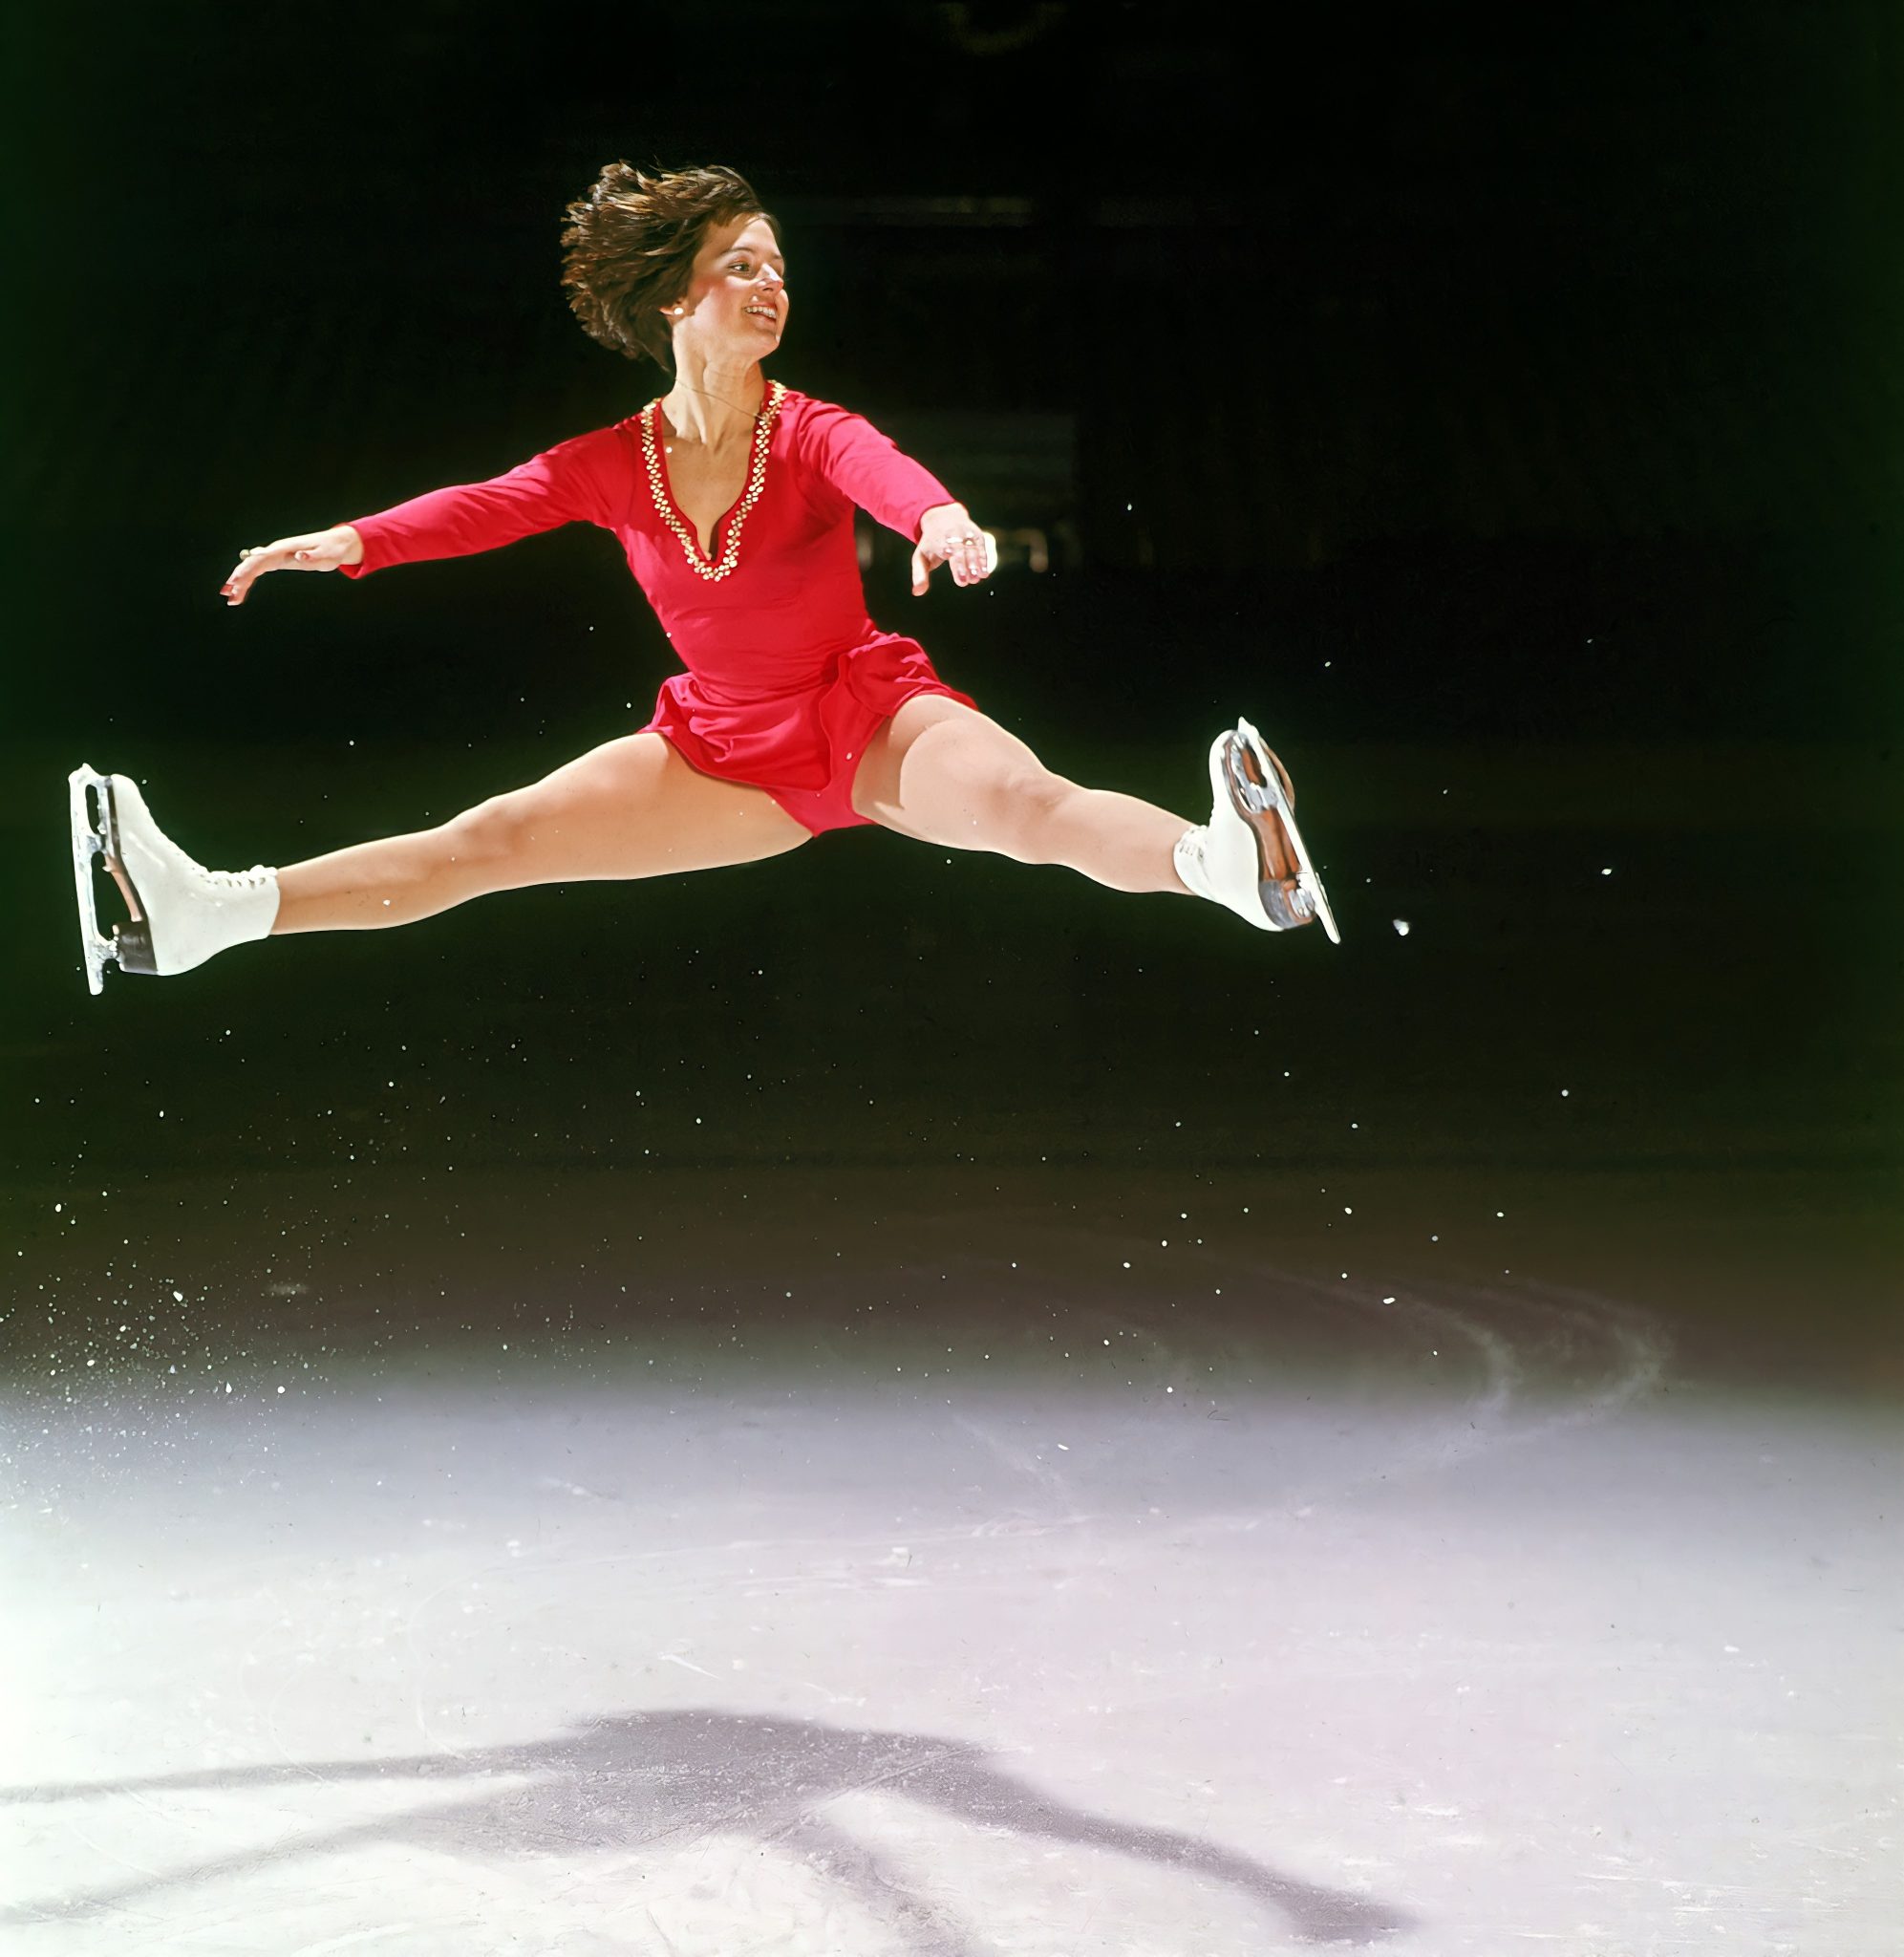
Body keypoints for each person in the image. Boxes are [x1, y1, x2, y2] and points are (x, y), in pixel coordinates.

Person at [67, 162, 1337, 995]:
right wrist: (347, 540)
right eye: (742, 263)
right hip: (718, 749)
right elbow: (484, 507)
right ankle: (204, 915)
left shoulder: (811, 430)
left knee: (1024, 806)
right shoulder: (612, 464)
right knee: (488, 843)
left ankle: (1229, 871)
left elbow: (888, 471)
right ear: (674, 297)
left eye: (779, 263)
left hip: (863, 712)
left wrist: (945, 521)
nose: (770, 280)